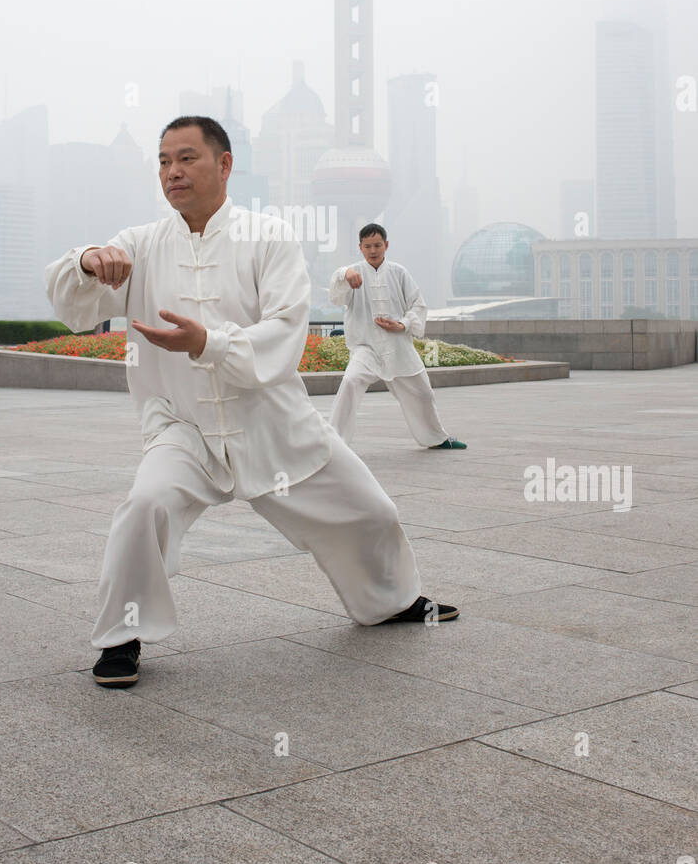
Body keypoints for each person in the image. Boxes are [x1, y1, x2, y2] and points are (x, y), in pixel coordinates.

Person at [44, 117, 460, 688]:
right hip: (182, 426)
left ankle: (394, 600)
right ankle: (120, 639)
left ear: (225, 164)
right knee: (146, 506)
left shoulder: (269, 237)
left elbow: (287, 330)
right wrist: (89, 259)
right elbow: (75, 302)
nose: (173, 172)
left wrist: (208, 343)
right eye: (164, 161)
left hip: (271, 419)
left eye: (186, 159)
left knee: (373, 510)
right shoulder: (140, 243)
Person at [329, 223, 467, 451]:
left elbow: (418, 305)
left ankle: (437, 437)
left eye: (377, 245)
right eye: (367, 246)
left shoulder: (399, 272)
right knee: (350, 381)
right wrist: (344, 274)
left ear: (386, 245)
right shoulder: (352, 274)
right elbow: (336, 294)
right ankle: (333, 443)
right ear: (360, 248)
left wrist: (402, 324)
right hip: (366, 348)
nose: (373, 250)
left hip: (398, 346)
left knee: (423, 393)